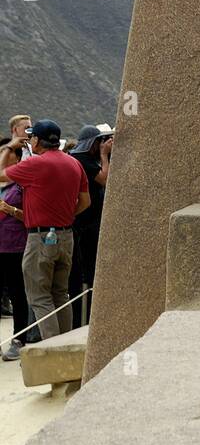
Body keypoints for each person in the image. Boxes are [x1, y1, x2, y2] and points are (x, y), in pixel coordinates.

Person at [0, 119, 90, 340]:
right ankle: (66, 344)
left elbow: (1, 173)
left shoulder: (36, 164)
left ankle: (51, 347)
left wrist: (11, 146)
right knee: (60, 294)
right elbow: (85, 201)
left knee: (40, 298)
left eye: (31, 137)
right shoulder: (73, 163)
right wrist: (66, 216)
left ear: (38, 140)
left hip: (40, 237)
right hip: (66, 235)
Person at [68, 126, 113, 328]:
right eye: (100, 141)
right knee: (86, 272)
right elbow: (106, 179)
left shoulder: (83, 159)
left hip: (89, 223)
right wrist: (105, 156)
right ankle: (83, 321)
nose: (102, 145)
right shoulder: (84, 160)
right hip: (85, 224)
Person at [0, 143, 28, 360]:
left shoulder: (23, 184)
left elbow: (31, 215)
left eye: (6, 154)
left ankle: (19, 339)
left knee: (18, 294)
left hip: (15, 247)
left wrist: (10, 210)